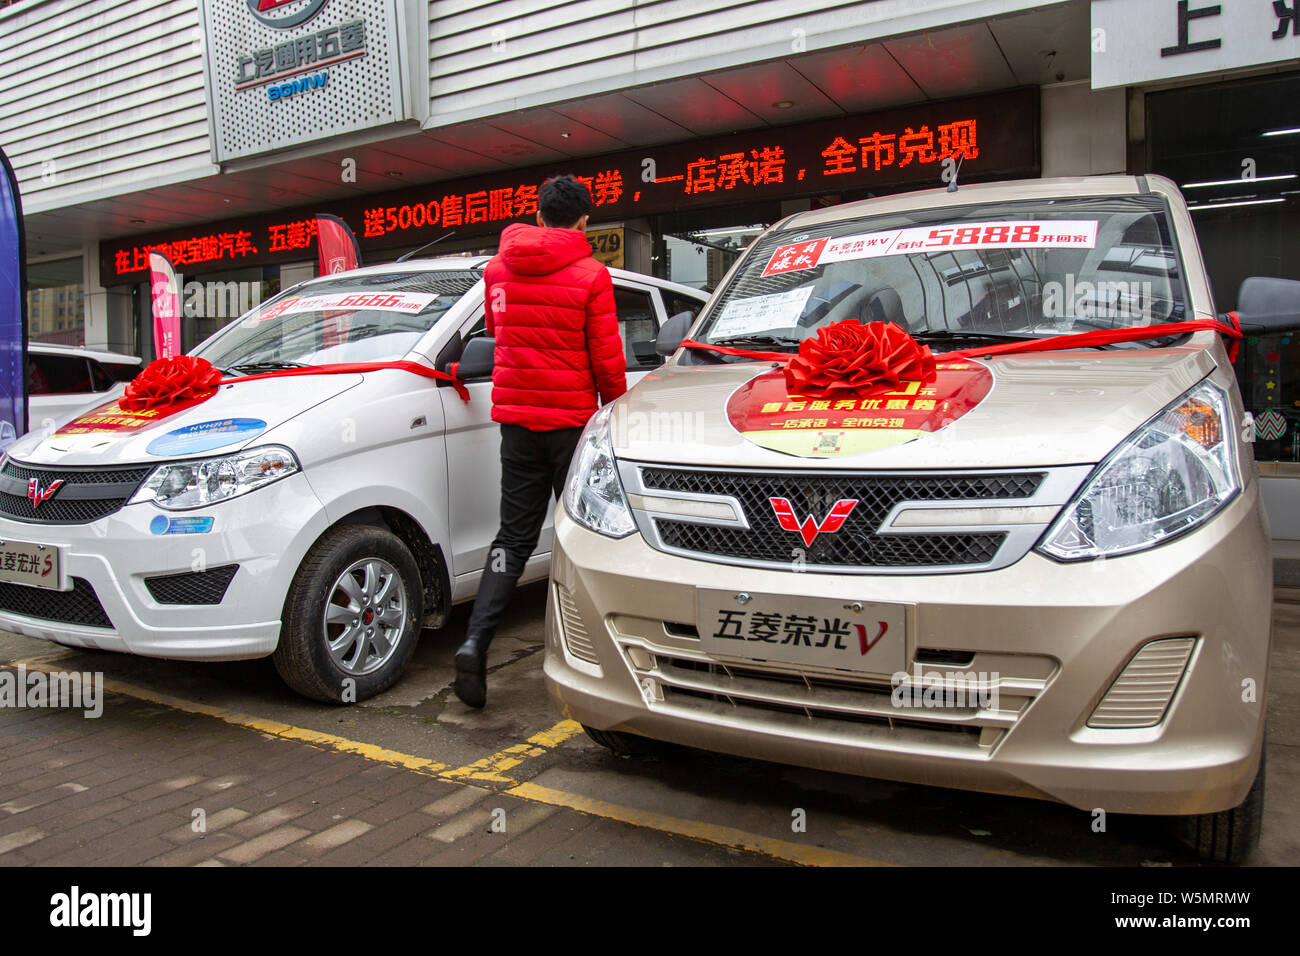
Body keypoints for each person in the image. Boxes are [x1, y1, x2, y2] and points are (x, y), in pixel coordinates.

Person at [454, 174, 627, 708]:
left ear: (537, 214)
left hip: (518, 427)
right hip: (571, 426)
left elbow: (504, 336)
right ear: (583, 221)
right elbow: (605, 356)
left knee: (512, 539)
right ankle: (590, 657)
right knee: (583, 537)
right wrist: (615, 410)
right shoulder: (592, 274)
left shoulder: (497, 269)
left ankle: (475, 641)